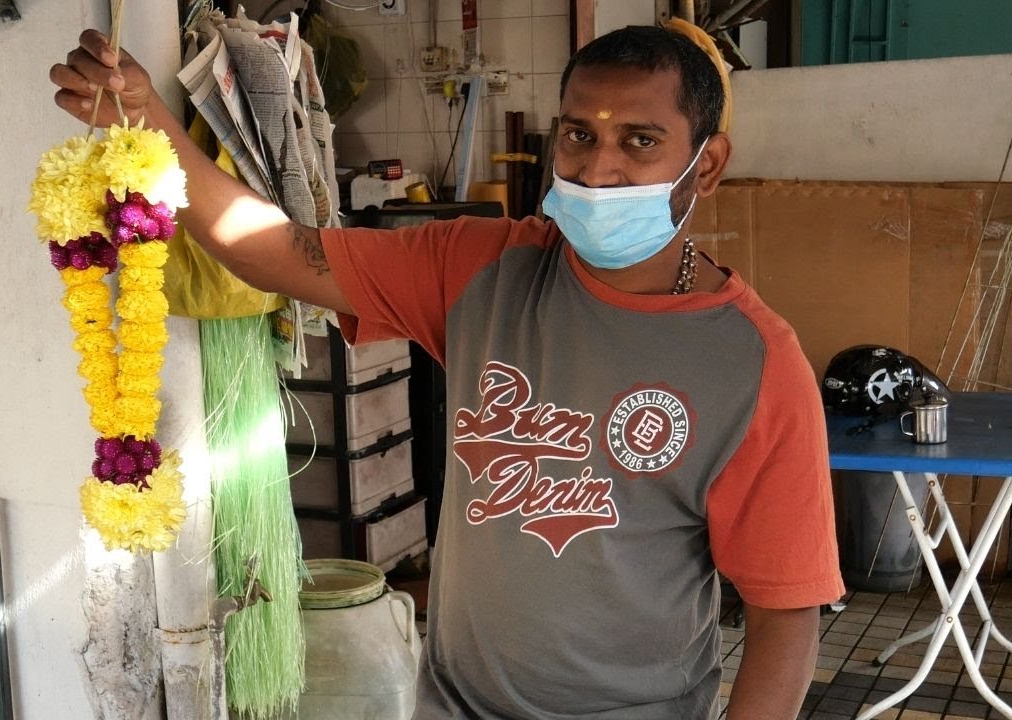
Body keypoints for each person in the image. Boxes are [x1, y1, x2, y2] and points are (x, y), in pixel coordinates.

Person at [52, 22, 845, 720]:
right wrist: (152, 129)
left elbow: (786, 615)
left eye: (640, 141)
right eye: (578, 136)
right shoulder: (482, 268)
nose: (598, 171)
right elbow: (273, 252)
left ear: (706, 167)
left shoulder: (751, 364)